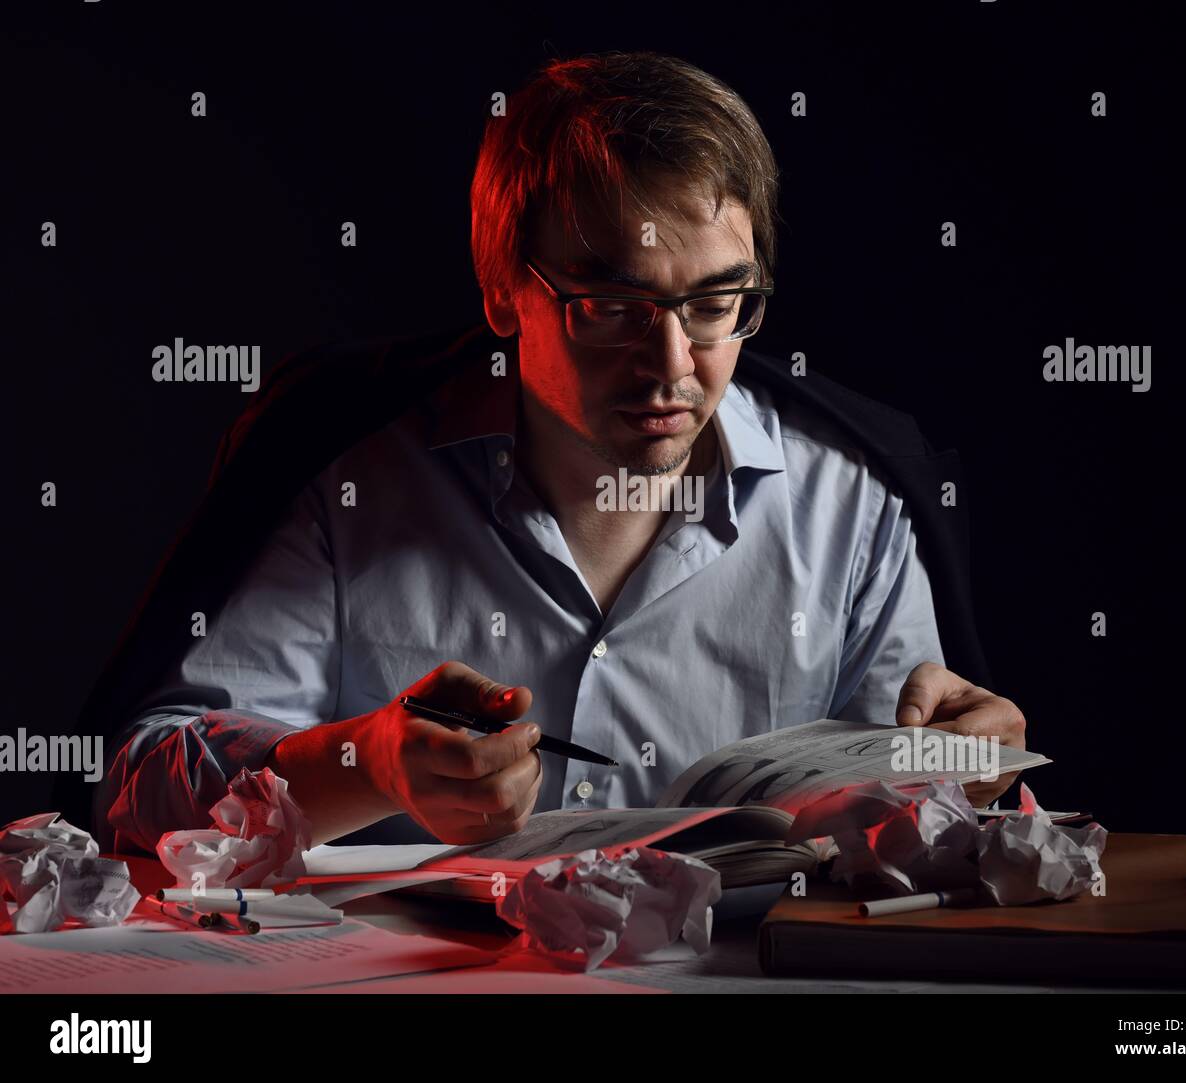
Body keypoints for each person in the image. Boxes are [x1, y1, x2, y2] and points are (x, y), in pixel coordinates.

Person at [90, 51, 1026, 855]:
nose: (673, 366)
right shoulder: (349, 485)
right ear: (504, 289)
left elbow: (908, 846)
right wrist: (367, 762)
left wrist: (968, 777)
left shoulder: (855, 510)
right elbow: (138, 786)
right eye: (612, 308)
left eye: (715, 304)